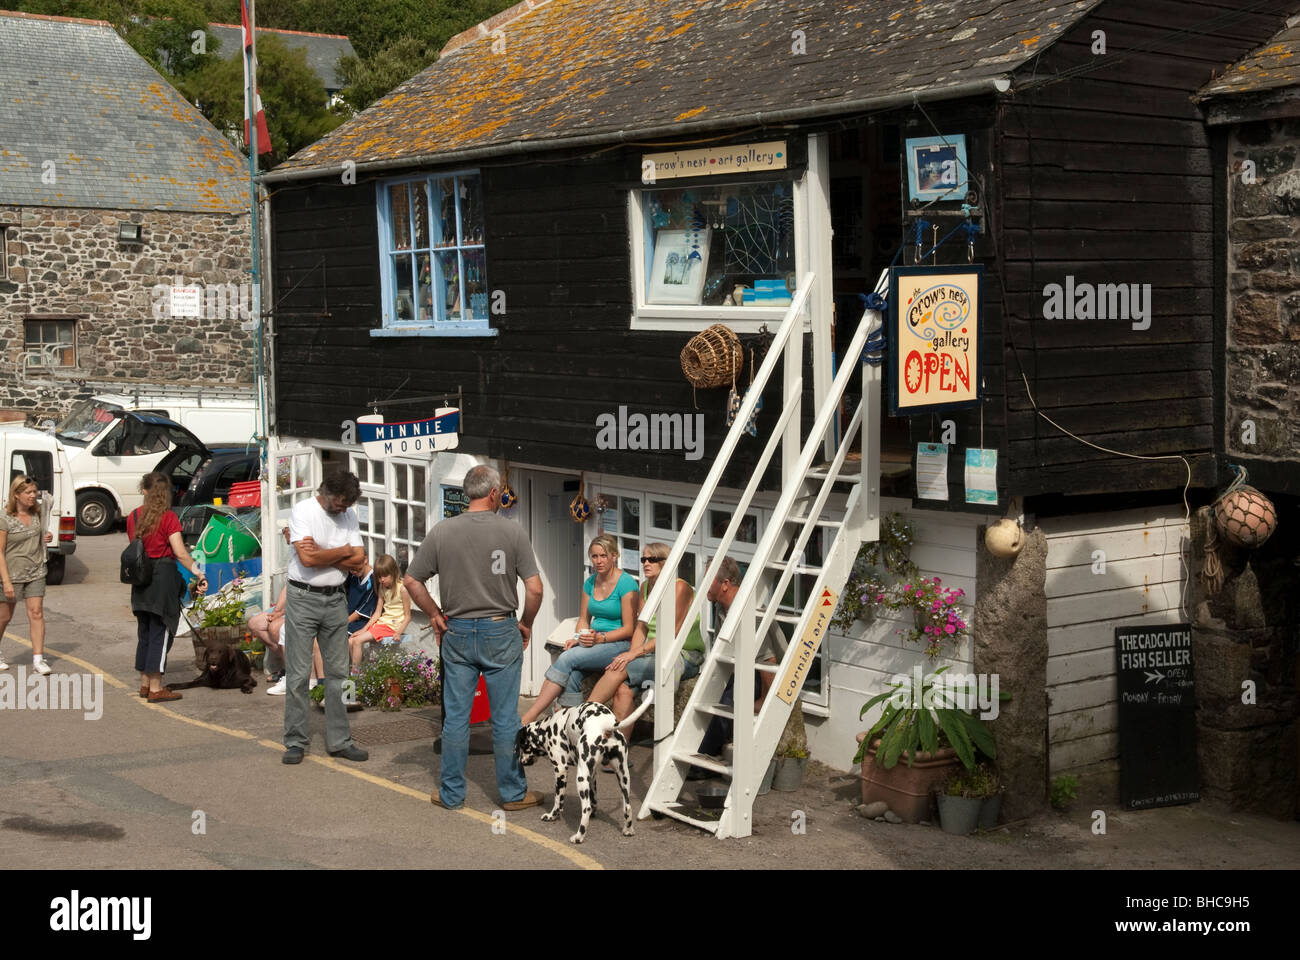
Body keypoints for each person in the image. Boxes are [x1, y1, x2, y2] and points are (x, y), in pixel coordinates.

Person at [403, 464, 544, 811]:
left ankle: (452, 794)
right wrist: (525, 622)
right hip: (500, 628)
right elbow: (535, 588)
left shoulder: (442, 531)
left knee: (456, 717)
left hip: (458, 630)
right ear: (494, 493)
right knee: (505, 717)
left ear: (469, 492)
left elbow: (411, 581)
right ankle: (511, 793)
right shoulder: (512, 532)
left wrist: (435, 614)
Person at [281, 472, 368, 764]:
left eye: (347, 505)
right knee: (298, 673)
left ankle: (341, 739)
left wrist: (323, 552)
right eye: (340, 503)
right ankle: (295, 741)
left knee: (340, 674)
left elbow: (360, 559)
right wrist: (343, 551)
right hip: (303, 596)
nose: (343, 509)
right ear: (327, 493)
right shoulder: (304, 510)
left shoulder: (349, 515)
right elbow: (307, 560)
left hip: (336, 598)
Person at [518, 533, 639, 726]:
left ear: (614, 556)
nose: (598, 561)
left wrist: (601, 639)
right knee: (572, 672)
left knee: (567, 658)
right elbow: (583, 619)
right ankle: (569, 723)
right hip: (594, 642)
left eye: (603, 556)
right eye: (594, 556)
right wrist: (578, 637)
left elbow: (629, 629)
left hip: (618, 644)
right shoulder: (590, 582)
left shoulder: (626, 584)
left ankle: (530, 716)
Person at [588, 541, 705, 722]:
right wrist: (630, 654)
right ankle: (618, 745)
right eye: (643, 559)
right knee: (622, 688)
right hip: (653, 652)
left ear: (666, 563)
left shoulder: (680, 587)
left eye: (652, 559)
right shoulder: (644, 587)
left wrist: (633, 655)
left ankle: (582, 714)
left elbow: (670, 634)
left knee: (618, 669)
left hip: (683, 654)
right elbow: (641, 628)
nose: (646, 563)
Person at [694, 555, 787, 766]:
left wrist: (764, 701)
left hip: (761, 671)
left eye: (709, 579)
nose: (703, 585)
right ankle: (702, 749)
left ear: (725, 584)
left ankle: (703, 758)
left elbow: (768, 661)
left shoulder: (748, 613)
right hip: (740, 666)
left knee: (729, 699)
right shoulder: (720, 606)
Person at [127, 472, 207, 702]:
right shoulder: (169, 518)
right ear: (166, 493)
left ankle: (144, 683)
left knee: (145, 631)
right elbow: (180, 553)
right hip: (162, 579)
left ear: (144, 491)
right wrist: (198, 572)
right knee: (161, 633)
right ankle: (155, 687)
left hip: (140, 579)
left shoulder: (133, 517)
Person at [0, 475, 55, 674]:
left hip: (36, 572)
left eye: (35, 492)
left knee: (37, 613)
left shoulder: (38, 514)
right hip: (11, 574)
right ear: (16, 495)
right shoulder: (4, 518)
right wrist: (6, 581)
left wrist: (47, 536)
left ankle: (38, 659)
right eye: (29, 493)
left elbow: (42, 536)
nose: (33, 496)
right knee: (4, 617)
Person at [349, 554, 410, 671]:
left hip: (392, 625)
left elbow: (407, 616)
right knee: (351, 640)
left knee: (357, 641)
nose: (382, 580)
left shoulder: (402, 589)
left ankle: (356, 676)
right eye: (379, 577)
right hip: (382, 623)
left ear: (393, 572)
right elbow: (377, 613)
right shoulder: (382, 588)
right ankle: (361, 673)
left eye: (385, 576)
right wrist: (364, 629)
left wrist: (399, 632)